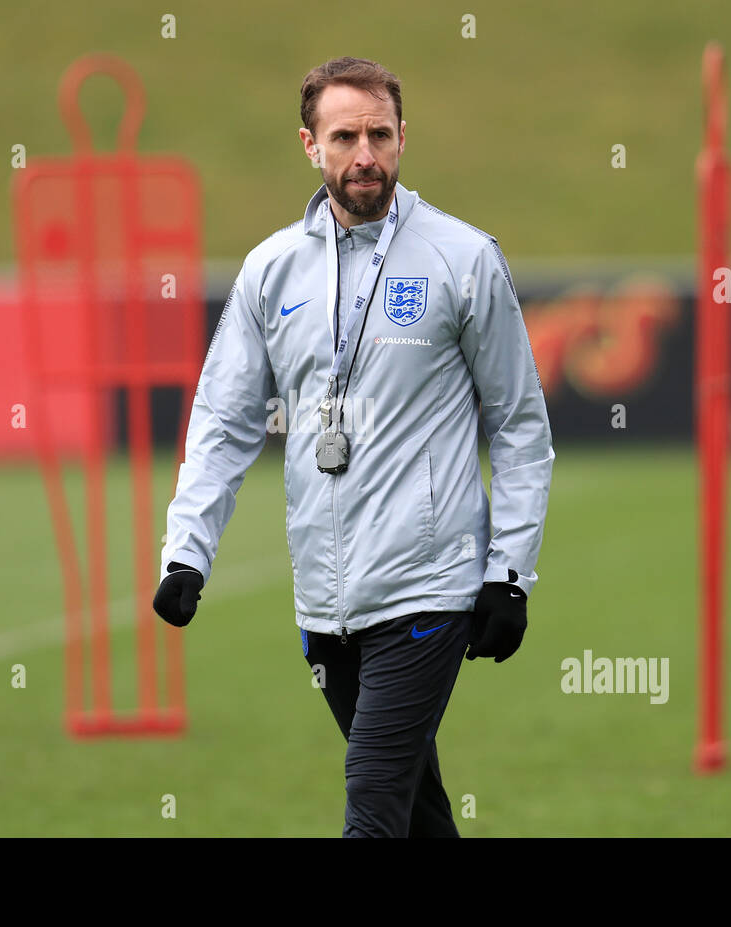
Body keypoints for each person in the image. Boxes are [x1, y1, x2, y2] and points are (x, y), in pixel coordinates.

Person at [153, 56, 554, 837]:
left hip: (429, 588)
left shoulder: (463, 257)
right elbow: (224, 420)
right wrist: (186, 554)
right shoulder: (271, 269)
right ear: (310, 144)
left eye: (379, 133)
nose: (364, 153)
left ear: (404, 137)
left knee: (371, 808)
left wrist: (508, 573)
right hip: (327, 600)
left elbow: (518, 426)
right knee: (419, 818)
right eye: (344, 136)